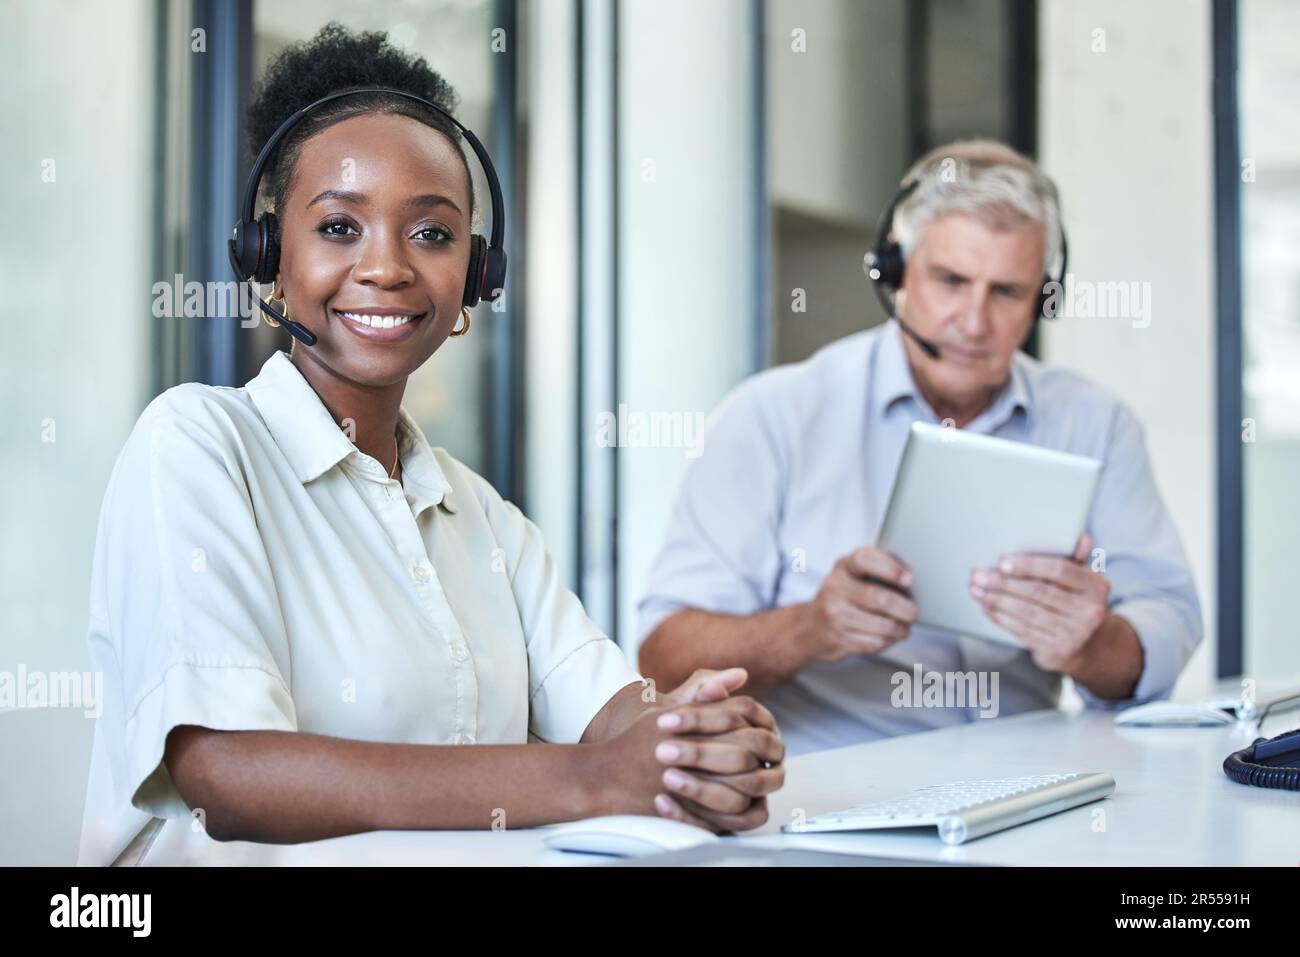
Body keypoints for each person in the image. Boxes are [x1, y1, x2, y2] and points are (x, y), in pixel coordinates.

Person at [78, 23, 782, 866]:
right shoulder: (195, 444)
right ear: (267, 258)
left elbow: (615, 711)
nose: (387, 268)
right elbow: (229, 774)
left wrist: (694, 733)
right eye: (339, 227)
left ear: (478, 278)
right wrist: (597, 779)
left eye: (433, 234)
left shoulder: (479, 514)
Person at [637, 140, 1202, 756]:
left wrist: (1089, 645)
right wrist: (810, 628)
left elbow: (1167, 617)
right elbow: (664, 659)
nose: (974, 321)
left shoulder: (1096, 422)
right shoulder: (771, 417)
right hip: (829, 791)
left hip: (1029, 781)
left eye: (1007, 292)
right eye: (951, 280)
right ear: (897, 272)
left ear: (1044, 297)